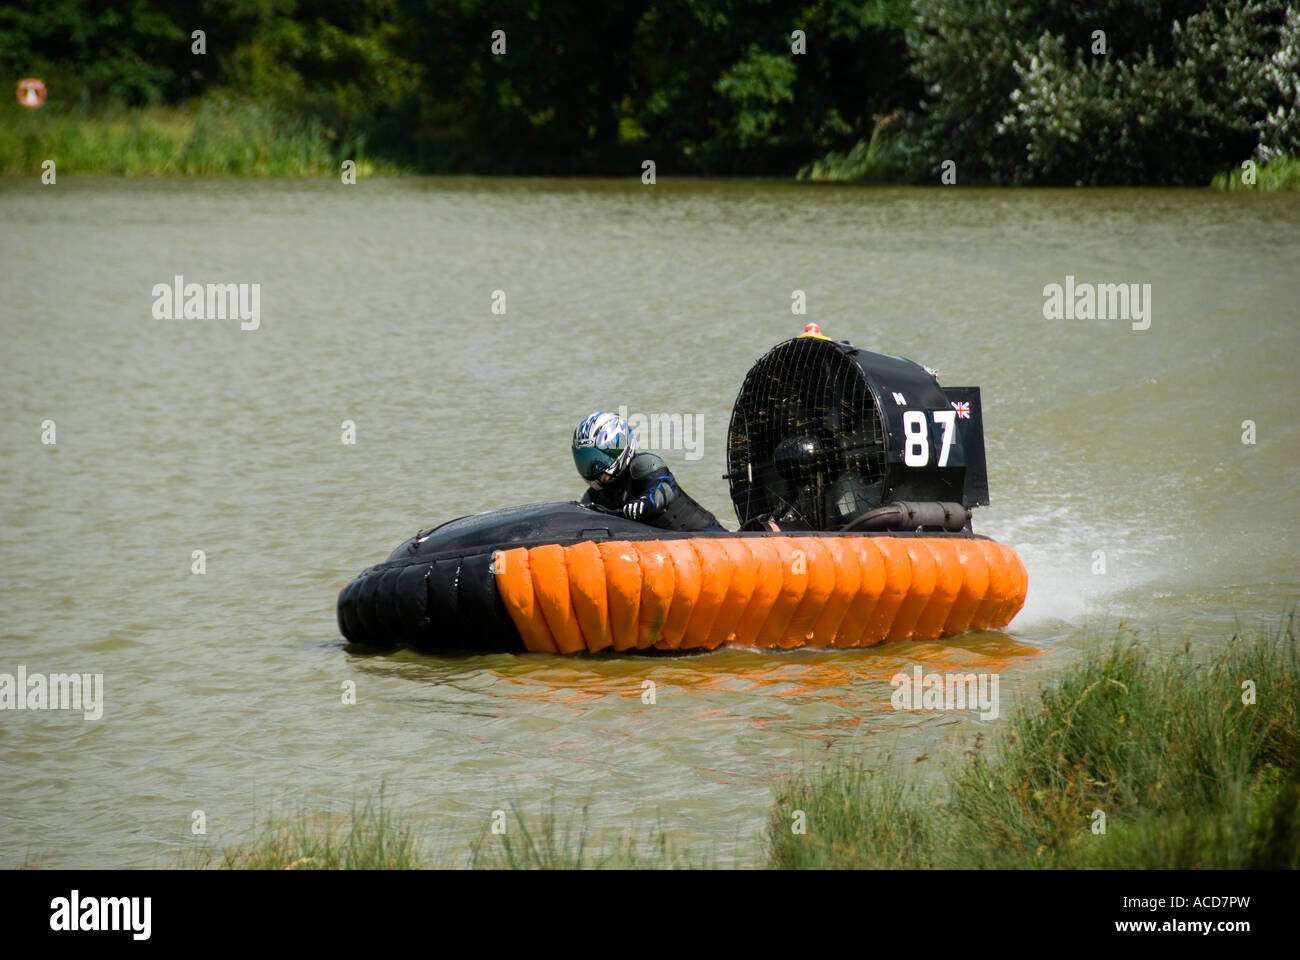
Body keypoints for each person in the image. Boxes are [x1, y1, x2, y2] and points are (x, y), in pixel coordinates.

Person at [572, 412, 724, 531]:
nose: (595, 469)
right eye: (586, 461)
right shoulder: (594, 496)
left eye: (600, 459)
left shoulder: (645, 465)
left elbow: (662, 491)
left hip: (705, 535)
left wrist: (642, 504)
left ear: (618, 448)